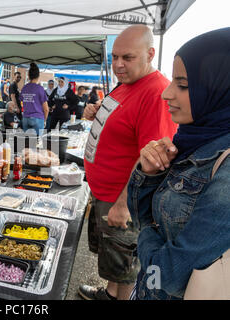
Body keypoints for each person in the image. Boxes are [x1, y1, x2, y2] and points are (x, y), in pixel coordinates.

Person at [127, 27, 230, 300]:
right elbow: (138, 216)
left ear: (220, 88)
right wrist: (147, 173)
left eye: (183, 85)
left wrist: (146, 233)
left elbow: (169, 276)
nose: (166, 94)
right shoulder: (192, 140)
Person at [78, 24, 178, 300]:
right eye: (115, 58)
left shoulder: (156, 93)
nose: (118, 65)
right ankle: (111, 293)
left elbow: (151, 160)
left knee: (127, 263)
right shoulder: (127, 84)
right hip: (104, 193)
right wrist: (96, 112)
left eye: (128, 58)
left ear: (150, 54)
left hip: (122, 200)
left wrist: (124, 205)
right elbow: (124, 122)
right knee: (115, 262)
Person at [19, 63, 49, 136]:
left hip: (26, 118)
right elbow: (46, 109)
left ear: (28, 76)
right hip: (38, 118)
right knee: (37, 143)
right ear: (38, 76)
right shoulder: (40, 89)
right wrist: (44, 120)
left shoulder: (24, 88)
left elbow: (22, 102)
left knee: (27, 143)